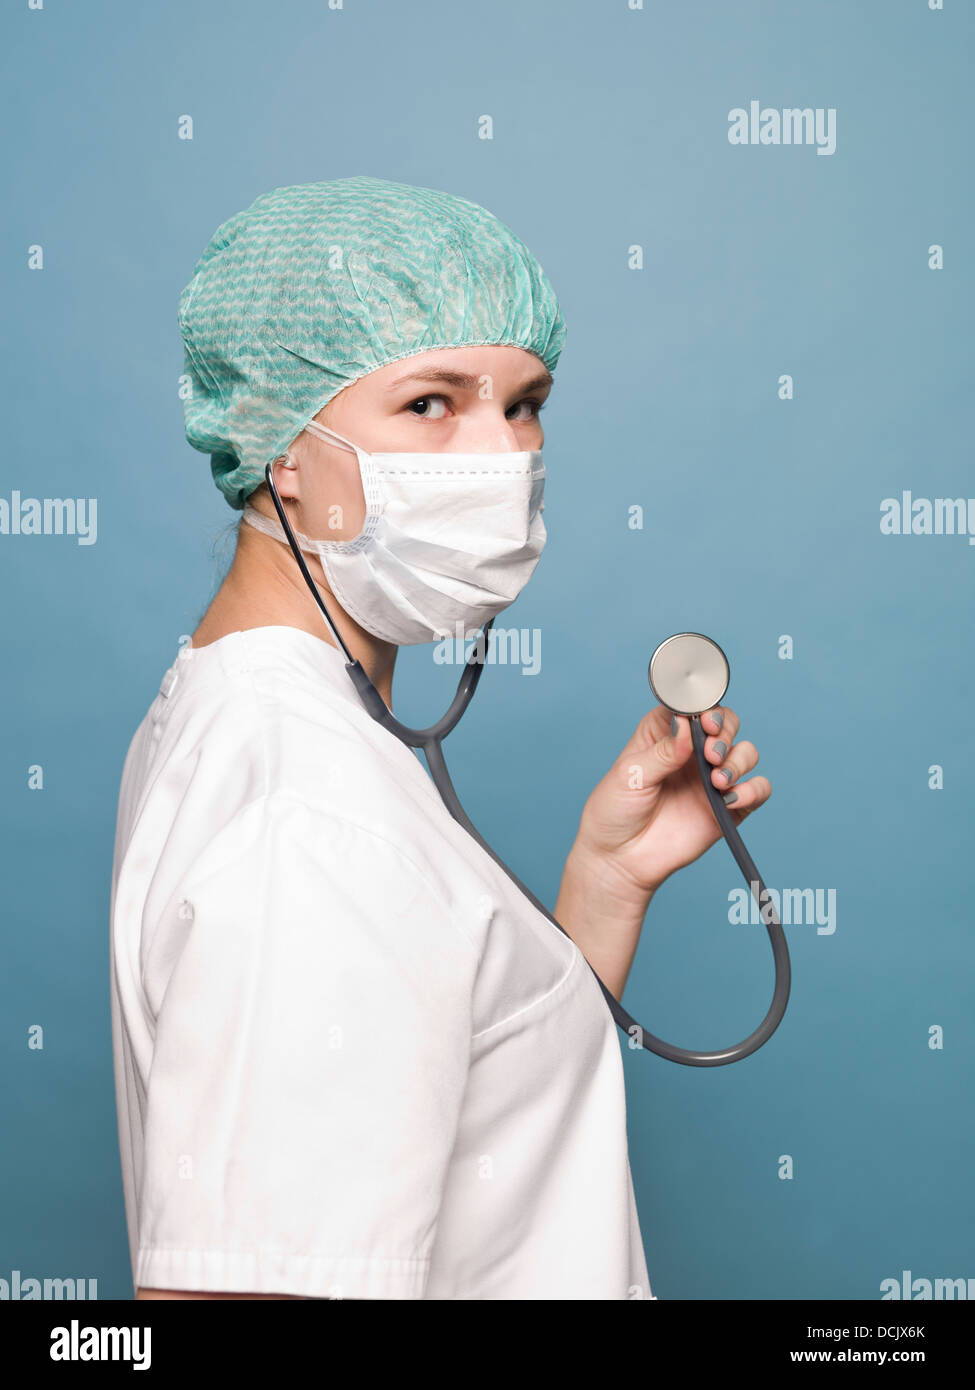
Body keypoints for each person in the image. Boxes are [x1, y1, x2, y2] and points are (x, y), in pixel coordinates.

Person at [109, 176, 770, 1301]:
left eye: (525, 401)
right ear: (283, 445)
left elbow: (478, 1130)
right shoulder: (315, 821)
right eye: (430, 403)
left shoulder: (243, 713)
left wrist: (604, 882)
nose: (501, 454)